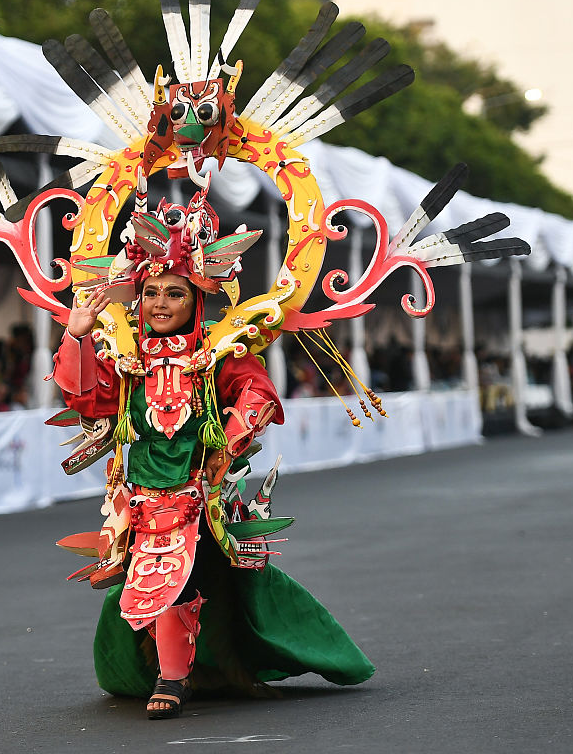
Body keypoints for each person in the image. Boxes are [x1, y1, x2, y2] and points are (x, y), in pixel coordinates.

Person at [51, 190, 374, 720]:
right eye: (150, 292)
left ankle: (174, 680)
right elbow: (88, 398)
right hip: (140, 499)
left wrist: (226, 444)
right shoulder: (127, 356)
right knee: (150, 581)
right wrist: (77, 337)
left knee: (185, 578)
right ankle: (177, 671)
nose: (158, 303)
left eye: (173, 293)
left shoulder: (216, 355)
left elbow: (260, 395)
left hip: (200, 497)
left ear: (196, 299)